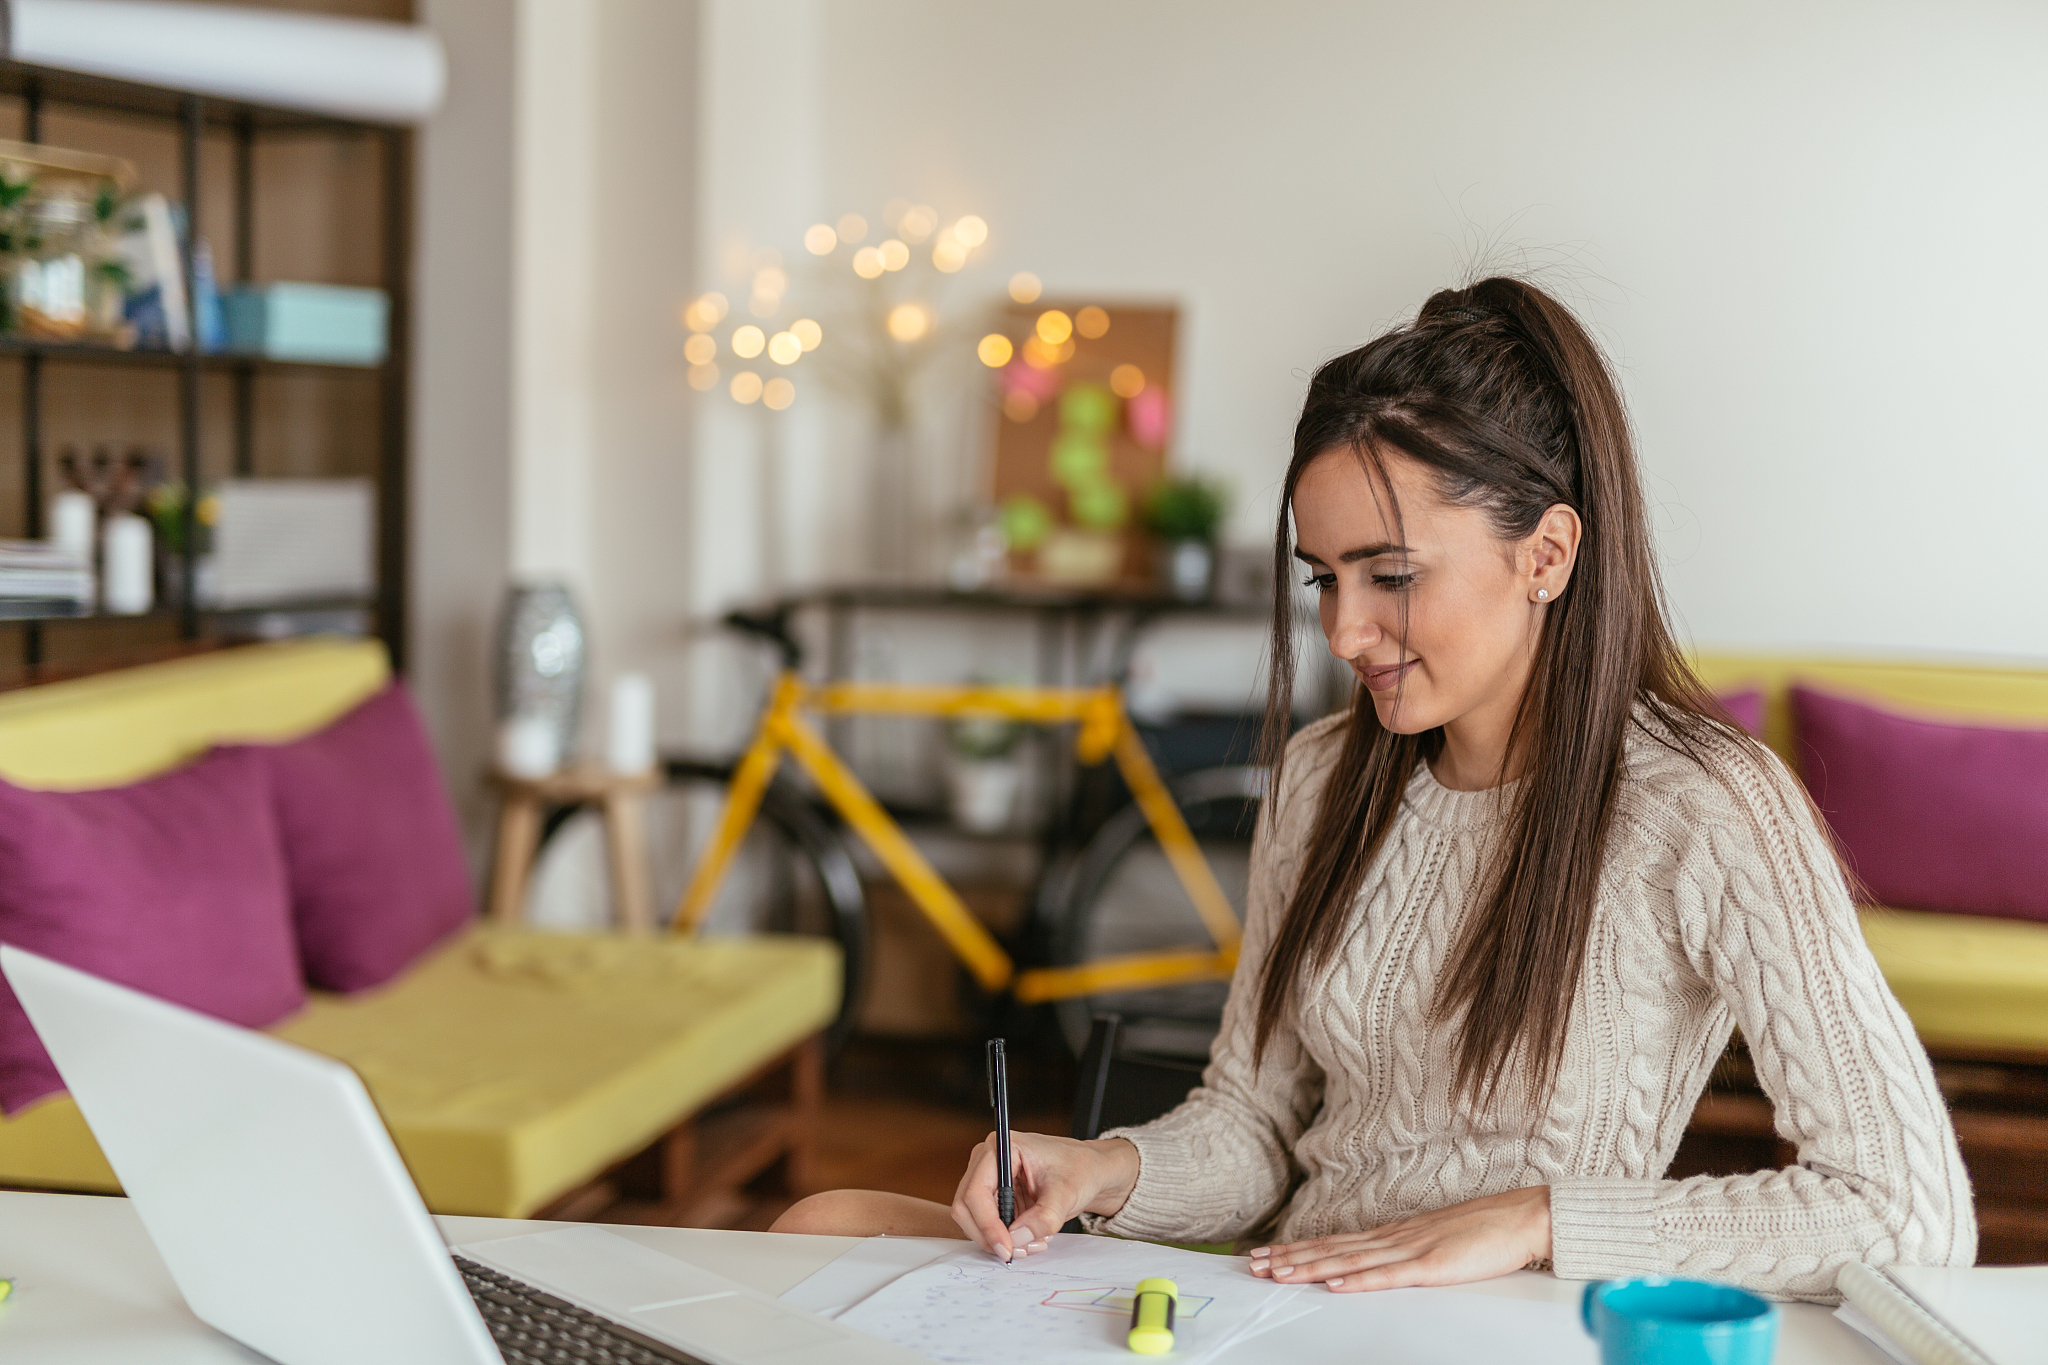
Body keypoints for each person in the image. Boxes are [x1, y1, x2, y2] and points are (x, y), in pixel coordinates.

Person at [771, 277, 1975, 1300]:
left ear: (1546, 554)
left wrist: (1539, 1218)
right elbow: (1251, 1125)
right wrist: (1104, 1170)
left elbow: (1907, 1208)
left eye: (1389, 575)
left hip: (1489, 1326)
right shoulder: (1323, 777)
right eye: (1320, 579)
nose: (1344, 631)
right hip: (1290, 1297)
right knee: (818, 1225)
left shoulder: (1702, 806)